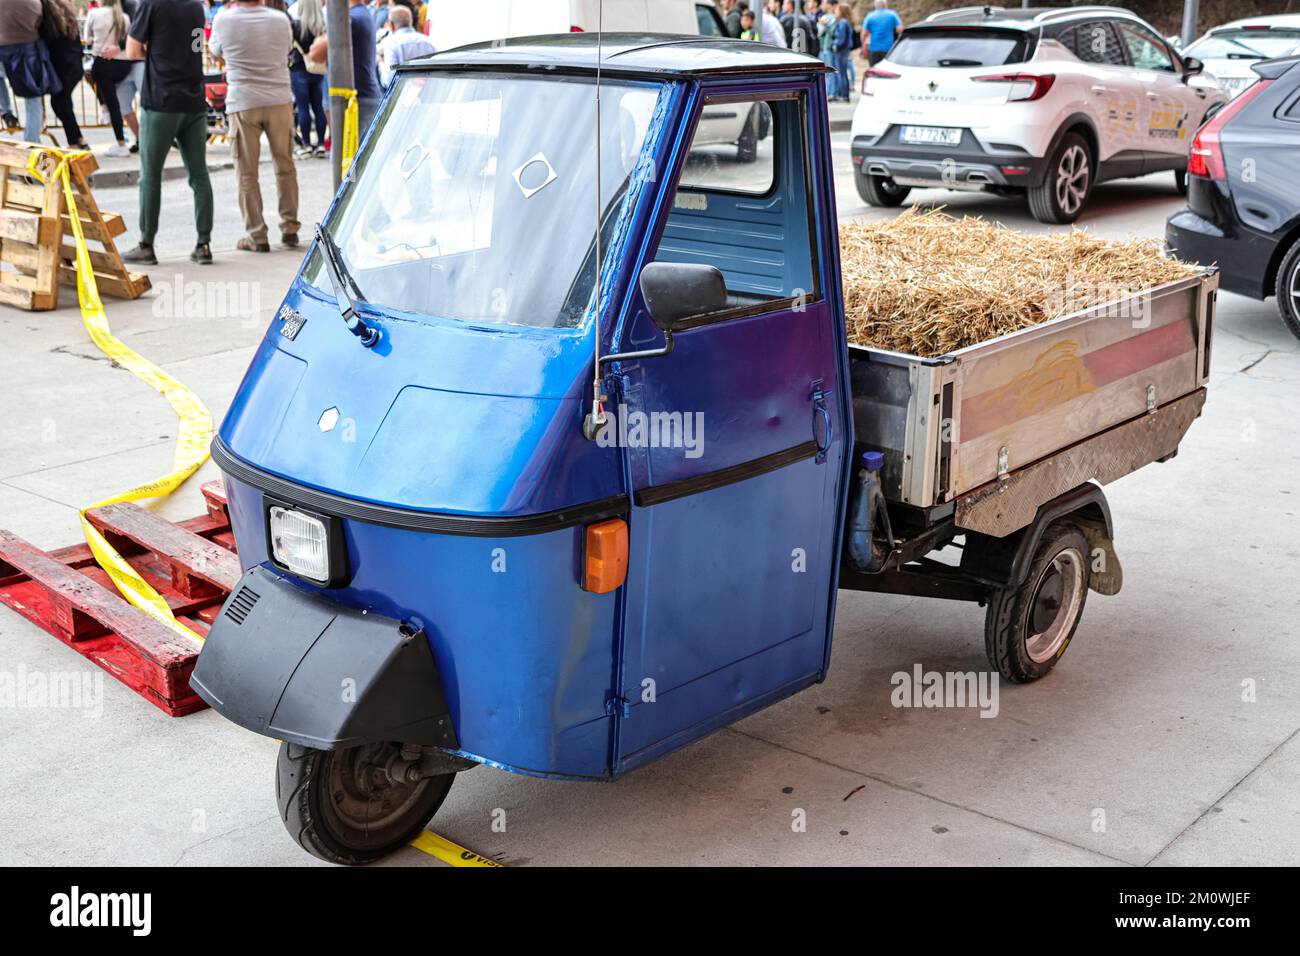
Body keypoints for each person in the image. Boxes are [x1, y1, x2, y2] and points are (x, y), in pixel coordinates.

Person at [123, 0, 214, 266]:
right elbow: (196, 48)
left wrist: (155, 49)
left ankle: (146, 244)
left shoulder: (152, 4)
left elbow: (132, 50)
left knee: (150, 176)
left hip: (161, 101)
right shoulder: (197, 6)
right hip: (194, 101)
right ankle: (203, 243)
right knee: (199, 175)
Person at [210, 0, 299, 253]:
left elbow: (216, 52)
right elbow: (285, 52)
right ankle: (290, 228)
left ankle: (257, 235)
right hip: (279, 98)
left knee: (247, 172)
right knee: (285, 165)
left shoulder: (224, 19)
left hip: (243, 100)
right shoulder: (281, 19)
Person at [0, 0, 56, 143]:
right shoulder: (34, 3)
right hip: (28, 50)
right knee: (33, 98)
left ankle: (6, 110)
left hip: (4, 47)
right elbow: (41, 24)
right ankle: (31, 142)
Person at [85, 0, 136, 156]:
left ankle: (120, 141)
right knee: (118, 103)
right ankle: (122, 139)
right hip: (124, 65)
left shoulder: (94, 13)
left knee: (111, 101)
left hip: (104, 63)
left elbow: (88, 39)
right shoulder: (125, 18)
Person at [40, 0, 87, 148]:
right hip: (73, 66)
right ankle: (78, 139)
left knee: (61, 104)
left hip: (63, 68)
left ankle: (75, 142)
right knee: (62, 103)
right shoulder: (66, 15)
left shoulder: (48, 20)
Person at [289, 0, 327, 157]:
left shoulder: (296, 26)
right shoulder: (323, 26)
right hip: (318, 70)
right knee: (318, 108)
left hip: (299, 69)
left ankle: (306, 144)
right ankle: (320, 144)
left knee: (303, 108)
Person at [348, 0, 382, 135]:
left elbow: (317, 52)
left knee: (351, 152)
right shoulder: (363, 14)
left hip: (360, 97)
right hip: (365, 94)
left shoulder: (354, 17)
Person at [380, 4, 433, 86]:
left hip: (403, 96)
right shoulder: (429, 42)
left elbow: (389, 80)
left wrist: (381, 66)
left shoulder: (392, 43)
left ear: (391, 24)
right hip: (427, 94)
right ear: (410, 21)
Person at [863, 0, 902, 67]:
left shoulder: (870, 16)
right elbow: (900, 29)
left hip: (873, 49)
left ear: (876, 5)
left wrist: (864, 47)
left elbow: (864, 34)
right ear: (885, 5)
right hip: (888, 48)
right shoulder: (892, 14)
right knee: (887, 70)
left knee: (874, 70)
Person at [830, 3, 854, 103]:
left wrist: (835, 45)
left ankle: (844, 95)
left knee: (841, 73)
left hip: (841, 51)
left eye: (837, 10)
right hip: (845, 50)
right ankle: (844, 95)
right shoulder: (846, 22)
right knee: (843, 73)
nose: (836, 11)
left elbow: (841, 38)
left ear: (841, 12)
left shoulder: (843, 22)